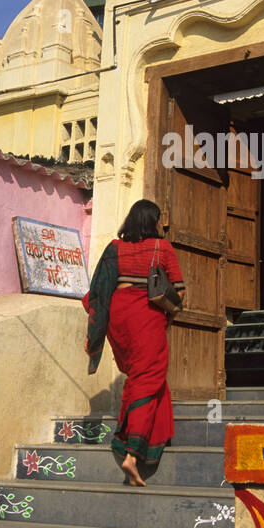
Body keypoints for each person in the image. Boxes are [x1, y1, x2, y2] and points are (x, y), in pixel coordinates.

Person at [82, 199, 184, 485]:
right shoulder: (162, 247)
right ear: (152, 222)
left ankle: (157, 441)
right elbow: (179, 289)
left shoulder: (115, 248)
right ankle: (132, 453)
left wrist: (94, 333)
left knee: (145, 376)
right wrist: (168, 318)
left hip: (118, 316)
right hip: (145, 316)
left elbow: (98, 291)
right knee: (146, 377)